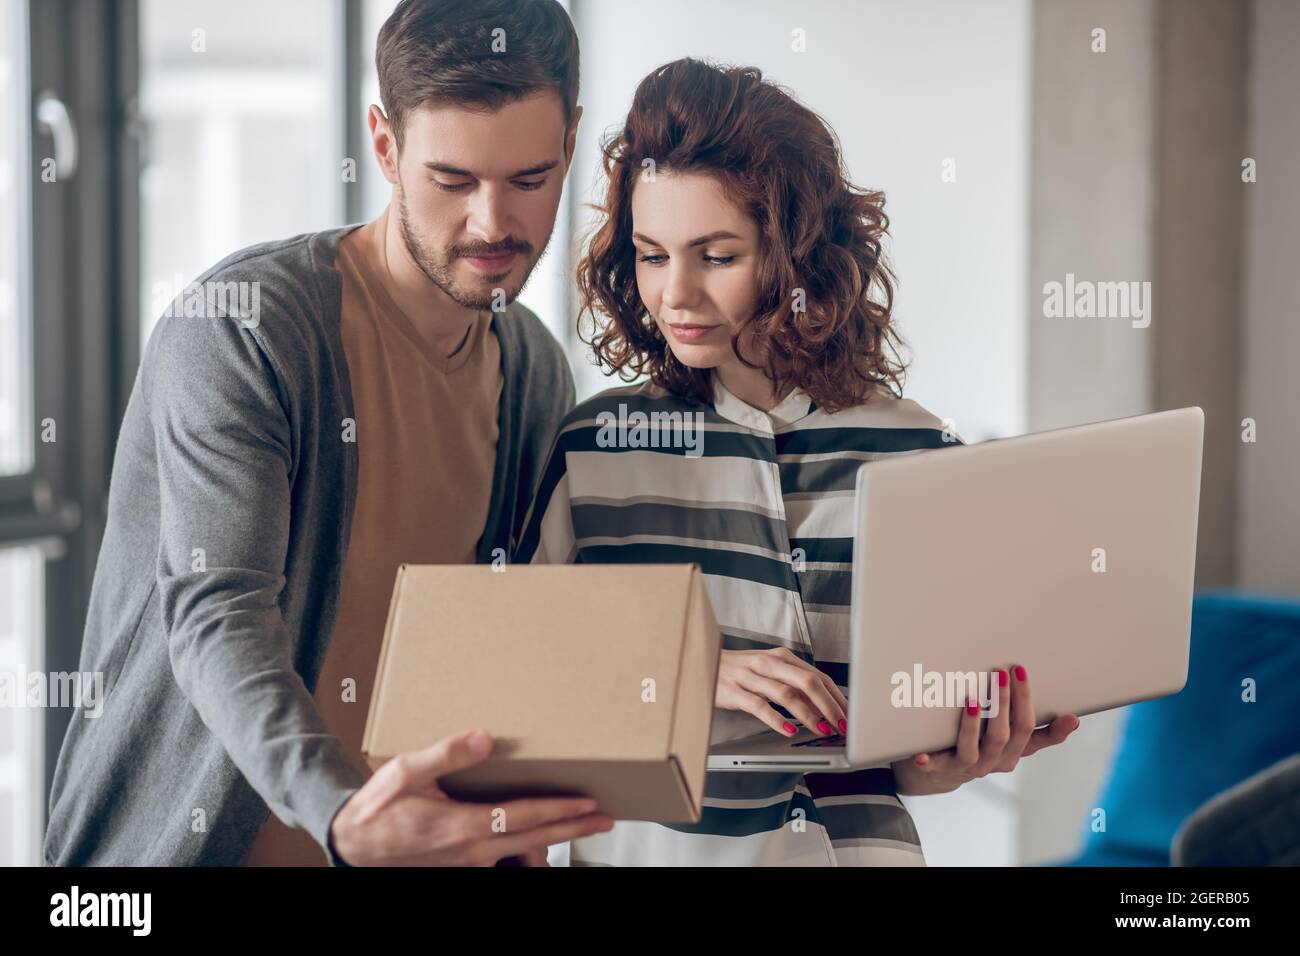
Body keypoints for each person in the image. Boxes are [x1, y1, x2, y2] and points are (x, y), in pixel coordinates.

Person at [44, 0, 613, 867]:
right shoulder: (243, 332)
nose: (493, 225)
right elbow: (218, 613)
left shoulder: (534, 371)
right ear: (384, 147)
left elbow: (501, 639)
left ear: (570, 143)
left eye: (529, 180)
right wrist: (343, 817)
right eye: (453, 181)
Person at [516, 57, 1080, 866]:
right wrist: (684, 669)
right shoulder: (596, 447)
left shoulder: (921, 452)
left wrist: (953, 761)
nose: (673, 293)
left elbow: (888, 761)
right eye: (650, 254)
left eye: (715, 256)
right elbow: (516, 683)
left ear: (796, 256)